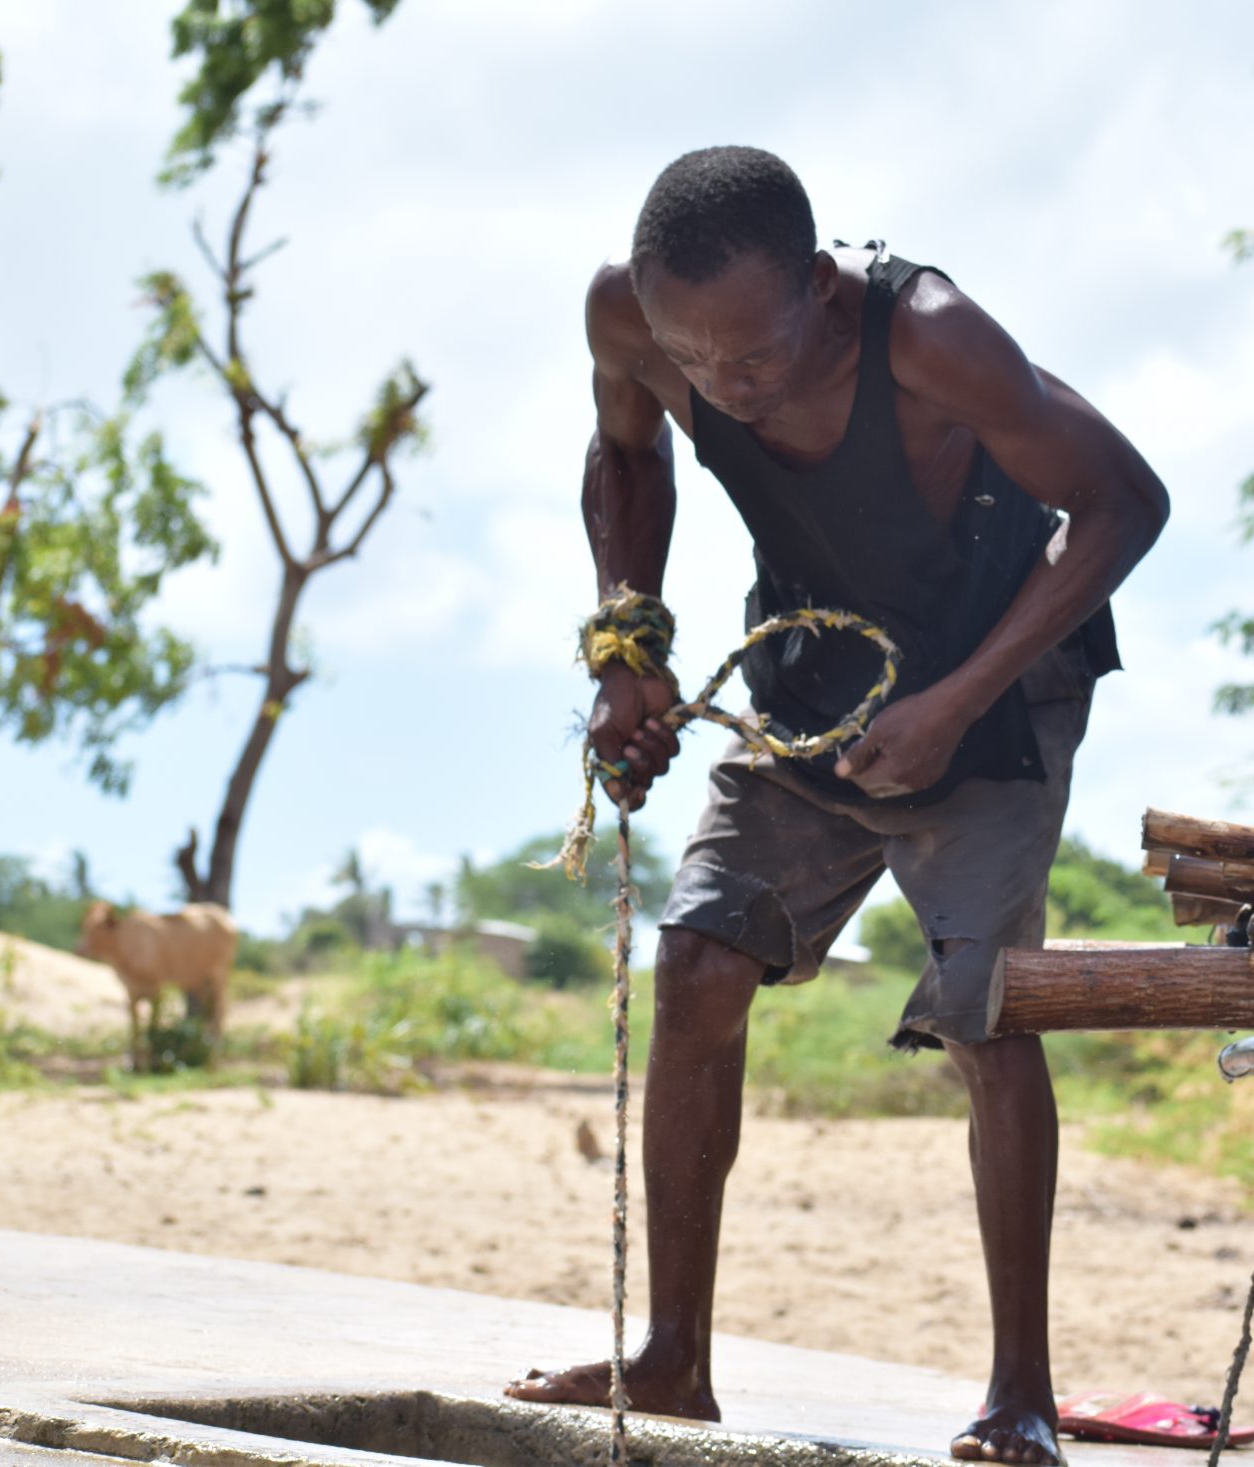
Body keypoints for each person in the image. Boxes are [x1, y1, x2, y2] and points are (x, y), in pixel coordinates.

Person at [506, 146, 1169, 1467]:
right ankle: (673, 1358)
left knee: (986, 1017)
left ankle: (1020, 1395)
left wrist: (957, 700)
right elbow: (629, 458)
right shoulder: (635, 325)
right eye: (693, 363)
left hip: (998, 682)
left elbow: (1123, 502)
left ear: (817, 288)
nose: (722, 389)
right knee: (698, 957)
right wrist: (626, 645)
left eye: (750, 360)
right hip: (813, 673)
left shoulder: (931, 337)